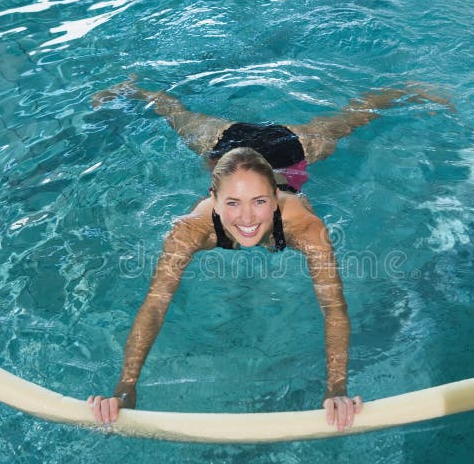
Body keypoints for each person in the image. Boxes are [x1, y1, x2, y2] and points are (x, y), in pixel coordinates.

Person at [87, 77, 453, 432]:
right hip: (225, 145)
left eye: (260, 202)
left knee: (354, 117)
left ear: (276, 199)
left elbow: (333, 308)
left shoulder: (304, 226)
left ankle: (406, 88)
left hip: (288, 148)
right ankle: (135, 89)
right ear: (214, 198)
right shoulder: (191, 229)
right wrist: (126, 386)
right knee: (172, 112)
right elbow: (155, 305)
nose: (247, 219)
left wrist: (336, 388)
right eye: (233, 203)